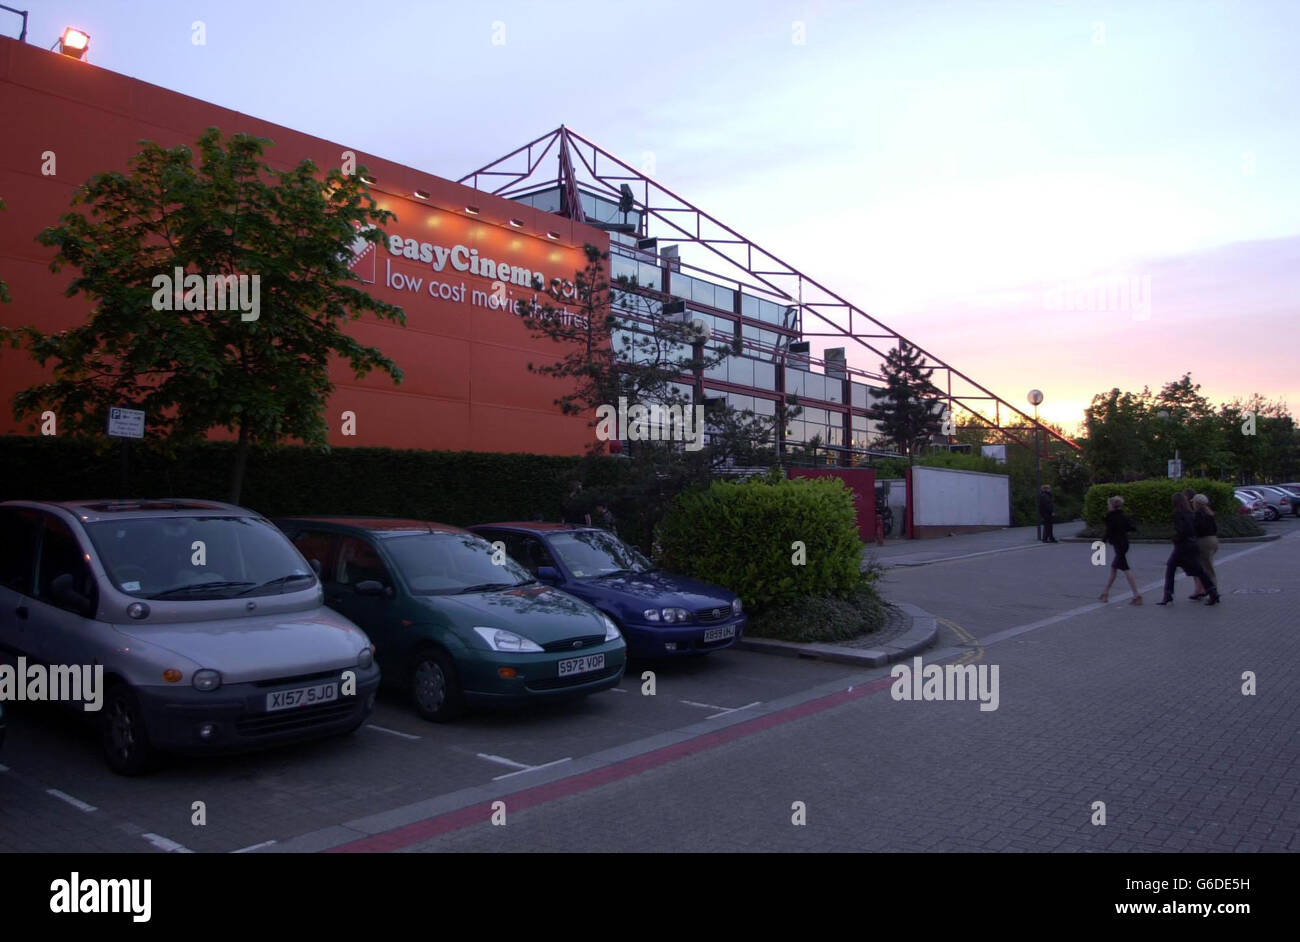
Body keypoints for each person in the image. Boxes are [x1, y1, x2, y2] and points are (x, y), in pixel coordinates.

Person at [1157, 492, 1220, 605]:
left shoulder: (1178, 513)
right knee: (1199, 570)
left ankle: (1168, 594)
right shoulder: (1190, 513)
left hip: (1182, 545)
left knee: (1171, 567)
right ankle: (1212, 591)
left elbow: (1181, 530)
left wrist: (1175, 538)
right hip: (1192, 544)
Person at [1099, 495, 1141, 604]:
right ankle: (1105, 593)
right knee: (1114, 568)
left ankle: (1136, 595)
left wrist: (1102, 541)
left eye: (1108, 505)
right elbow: (1130, 527)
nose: (1108, 507)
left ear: (1112, 506)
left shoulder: (1110, 517)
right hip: (1124, 543)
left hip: (1118, 544)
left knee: (1125, 569)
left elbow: (1108, 531)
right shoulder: (1123, 516)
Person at [1190, 493, 1219, 599]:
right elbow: (1215, 528)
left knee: (1207, 568)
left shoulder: (1198, 514)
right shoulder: (1209, 513)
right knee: (1207, 566)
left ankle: (1212, 591)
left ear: (1197, 503)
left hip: (1204, 541)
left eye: (1193, 502)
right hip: (1213, 540)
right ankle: (1206, 589)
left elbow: (1197, 529)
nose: (1192, 504)